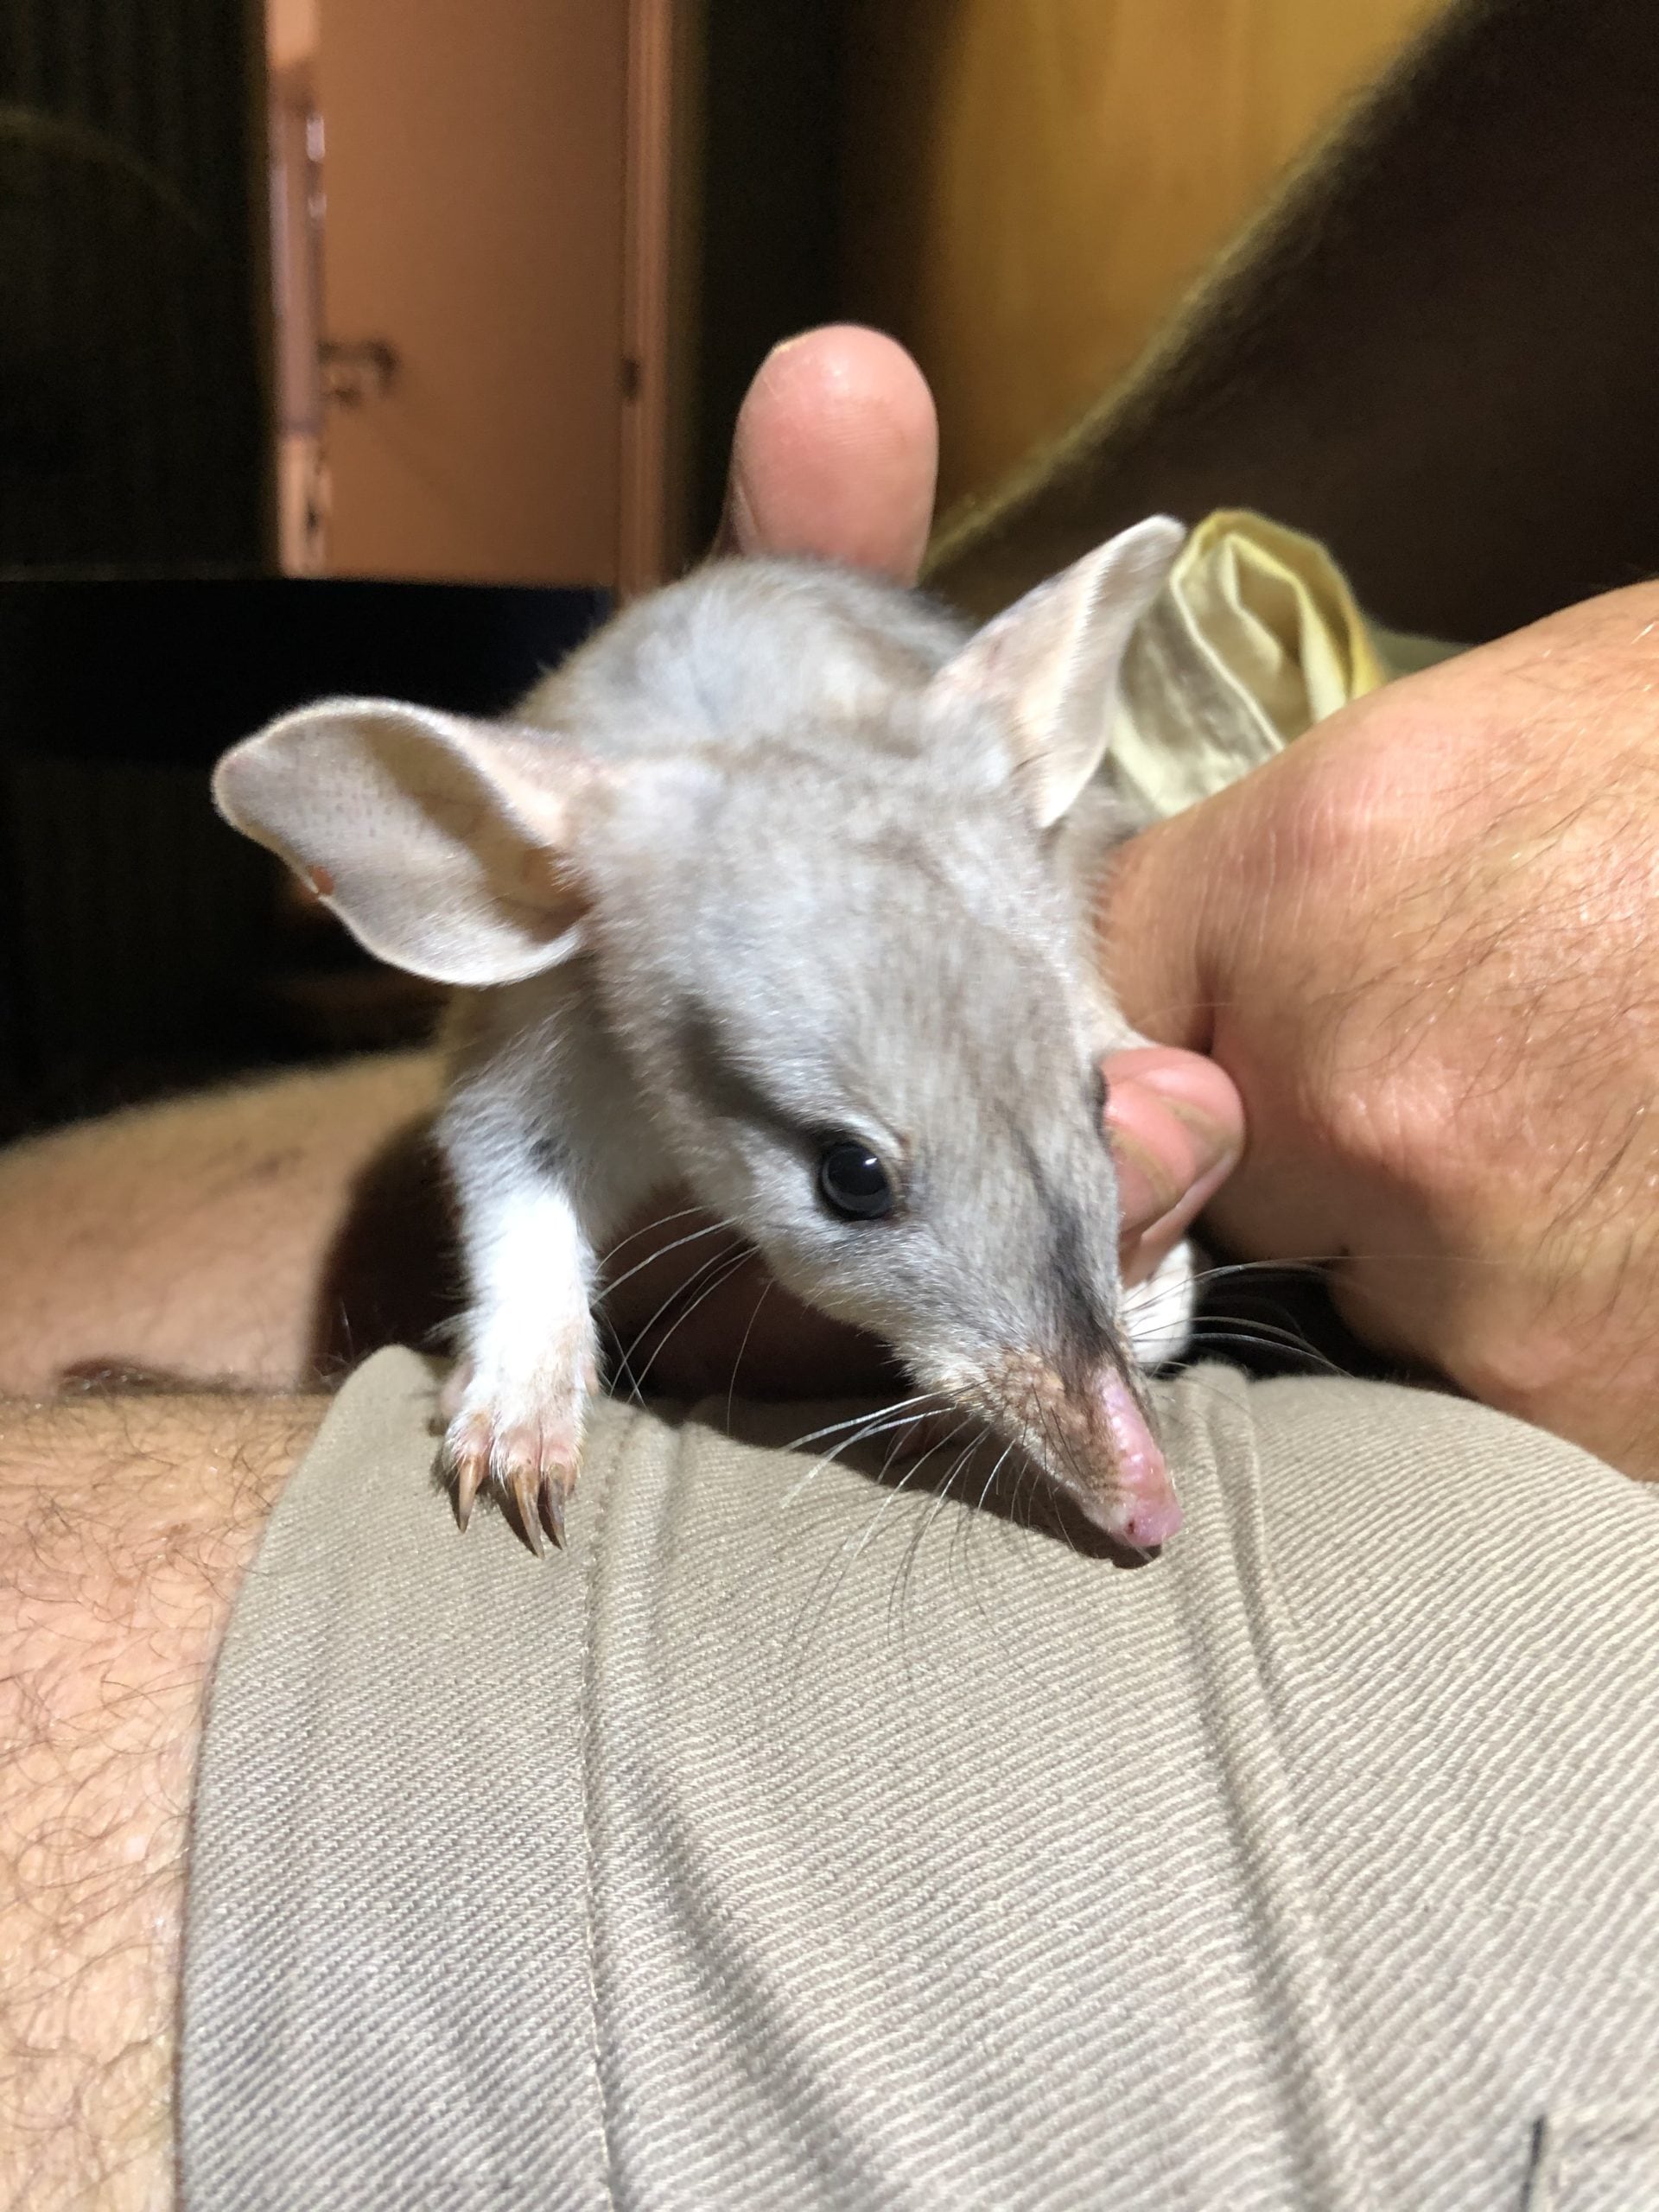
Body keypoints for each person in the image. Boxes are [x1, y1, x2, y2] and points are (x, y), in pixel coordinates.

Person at [2, 326, 1656, 2209]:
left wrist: (1093, 1163)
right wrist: (531, 1337)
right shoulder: (592, 898)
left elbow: (1045, 1014)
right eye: (857, 1176)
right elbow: (515, 1141)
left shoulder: (987, 813)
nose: (1126, 1480)